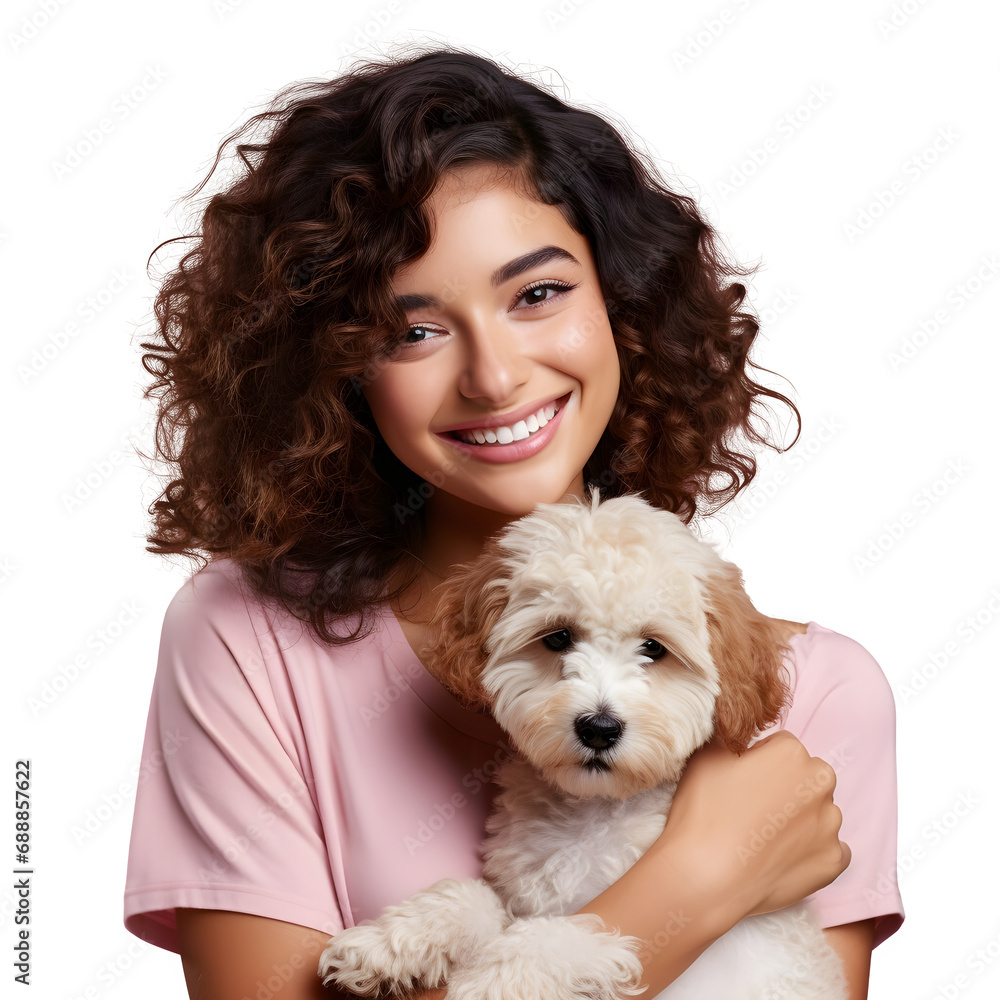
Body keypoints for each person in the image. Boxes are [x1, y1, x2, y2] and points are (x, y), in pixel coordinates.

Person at [123, 45, 903, 999]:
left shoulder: (816, 697)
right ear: (333, 369)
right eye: (411, 330)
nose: (494, 377)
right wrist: (694, 885)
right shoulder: (245, 638)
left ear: (624, 303)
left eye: (538, 293)